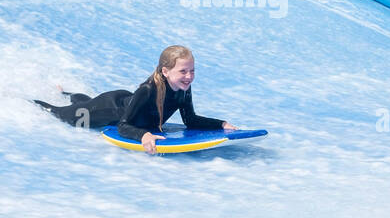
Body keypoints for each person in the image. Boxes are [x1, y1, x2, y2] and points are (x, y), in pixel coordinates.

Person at [35, 45, 238, 154]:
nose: (189, 76)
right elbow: (124, 126)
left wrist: (220, 124)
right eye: (183, 71)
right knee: (58, 113)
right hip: (109, 108)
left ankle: (68, 93)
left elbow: (191, 120)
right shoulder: (148, 90)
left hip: (124, 101)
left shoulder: (183, 89)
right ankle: (28, 99)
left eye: (192, 70)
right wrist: (143, 136)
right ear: (165, 71)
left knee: (84, 101)